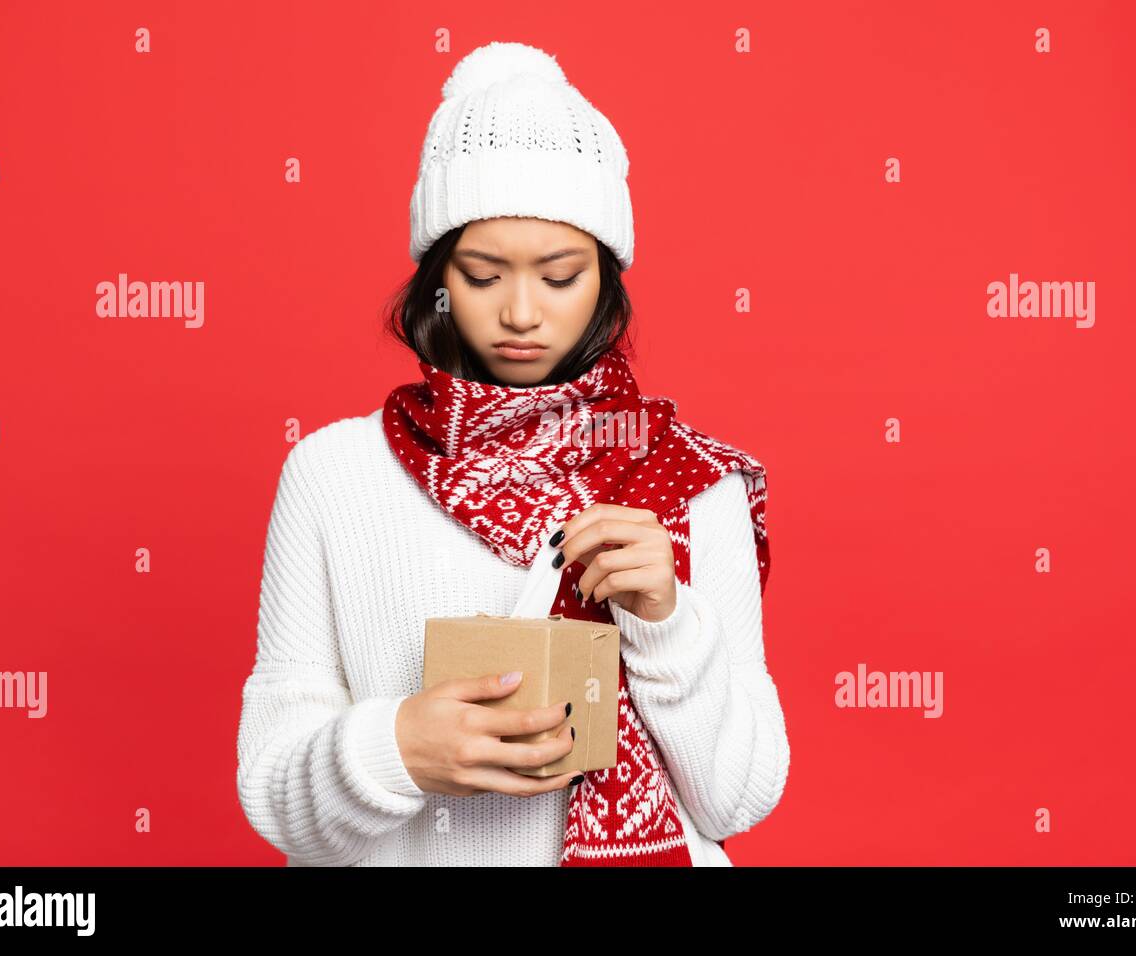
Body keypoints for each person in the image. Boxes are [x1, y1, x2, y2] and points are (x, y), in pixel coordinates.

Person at [235, 40, 790, 866]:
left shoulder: (685, 480)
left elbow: (738, 799)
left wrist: (668, 624)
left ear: (607, 279)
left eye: (560, 276)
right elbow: (276, 798)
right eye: (484, 274)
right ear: (437, 281)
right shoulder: (334, 473)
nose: (521, 312)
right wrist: (396, 752)